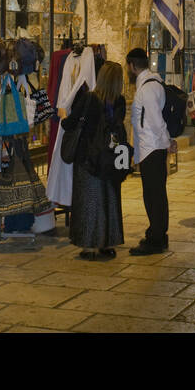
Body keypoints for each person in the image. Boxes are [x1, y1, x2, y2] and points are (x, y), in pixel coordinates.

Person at [64, 61, 129, 260]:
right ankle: (107, 243)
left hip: (88, 158)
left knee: (88, 201)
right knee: (109, 199)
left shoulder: (89, 99)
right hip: (110, 157)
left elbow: (69, 123)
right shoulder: (120, 102)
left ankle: (89, 245)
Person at [127, 48, 171, 255]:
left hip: (152, 149)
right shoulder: (149, 85)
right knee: (155, 195)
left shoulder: (147, 89)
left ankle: (156, 238)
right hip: (151, 148)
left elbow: (154, 120)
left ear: (132, 66)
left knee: (154, 196)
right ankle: (157, 234)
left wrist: (167, 142)